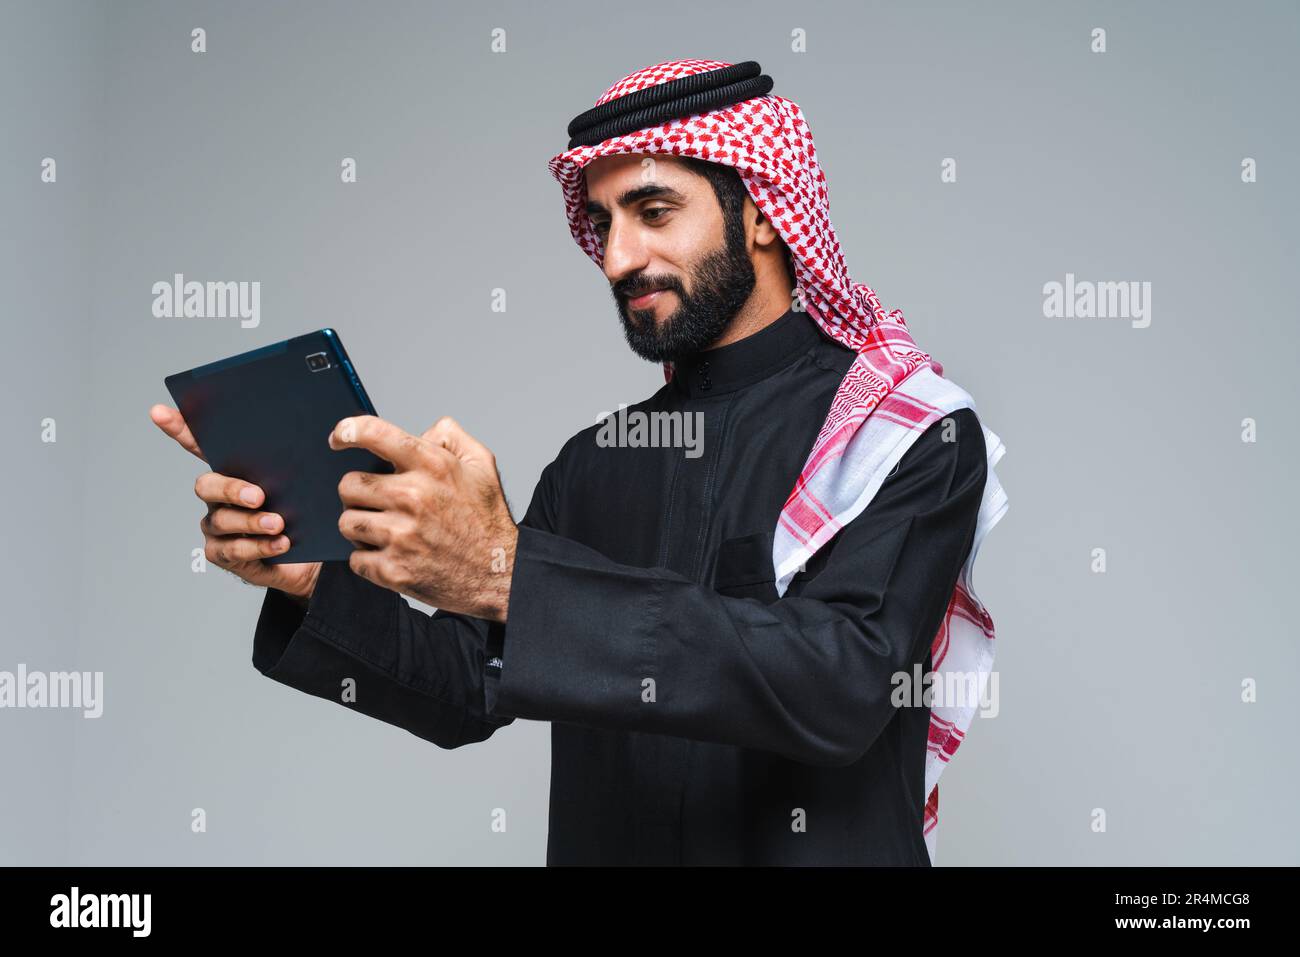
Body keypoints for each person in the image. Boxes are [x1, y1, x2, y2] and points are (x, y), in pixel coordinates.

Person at [151, 59, 1008, 866]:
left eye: (655, 211)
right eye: (603, 224)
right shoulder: (592, 464)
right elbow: (465, 688)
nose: (619, 256)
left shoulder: (906, 434)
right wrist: (312, 585)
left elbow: (844, 685)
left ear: (763, 210)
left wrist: (510, 574)